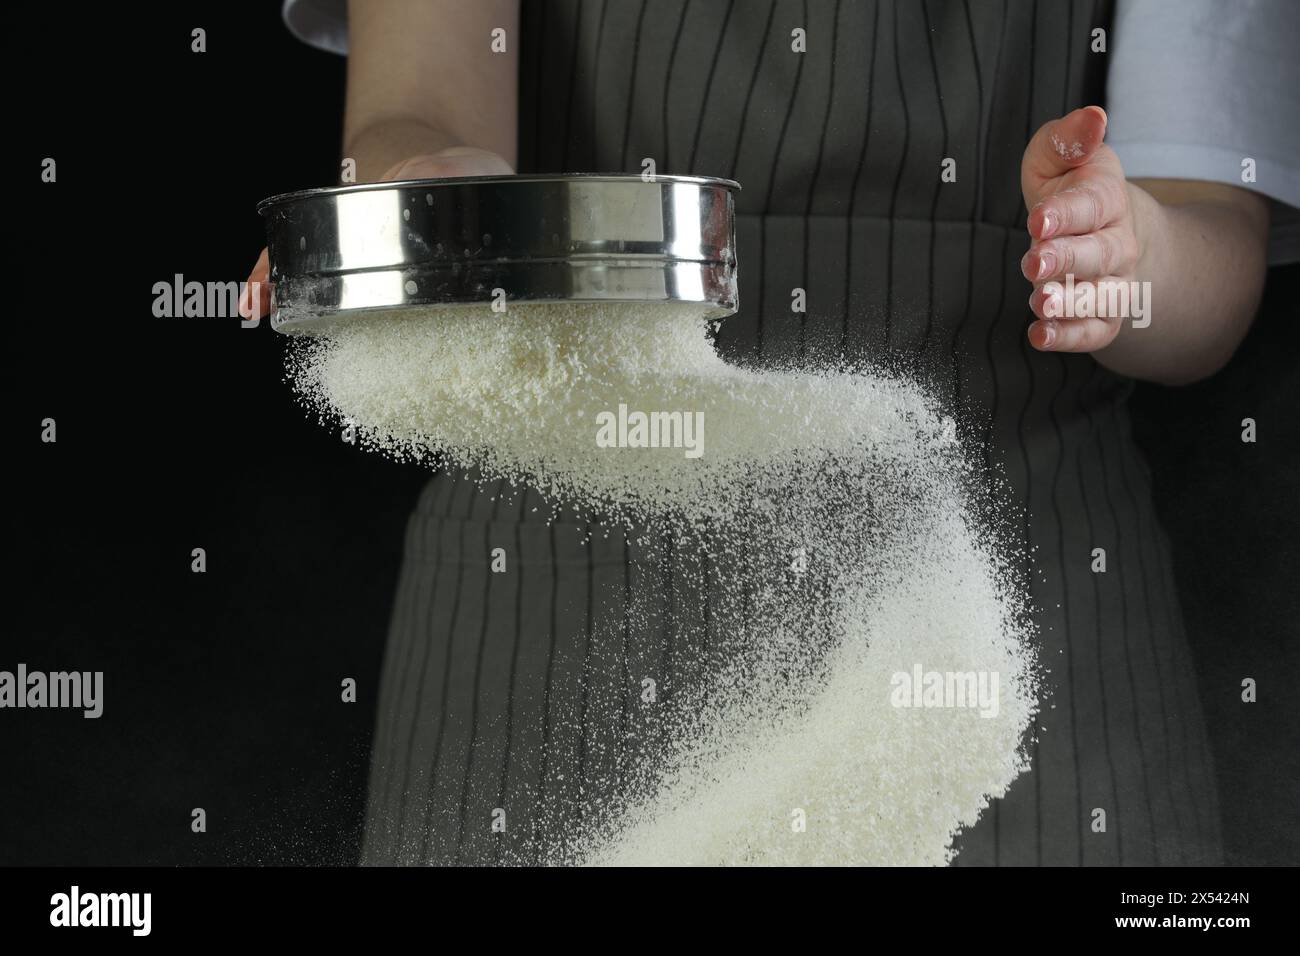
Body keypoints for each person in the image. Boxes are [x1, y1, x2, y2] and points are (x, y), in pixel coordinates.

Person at [242, 0, 1298, 865]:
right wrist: (423, 216)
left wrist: (1125, 251)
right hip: (548, 575)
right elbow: (415, 105)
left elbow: (1207, 251)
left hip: (1026, 596)